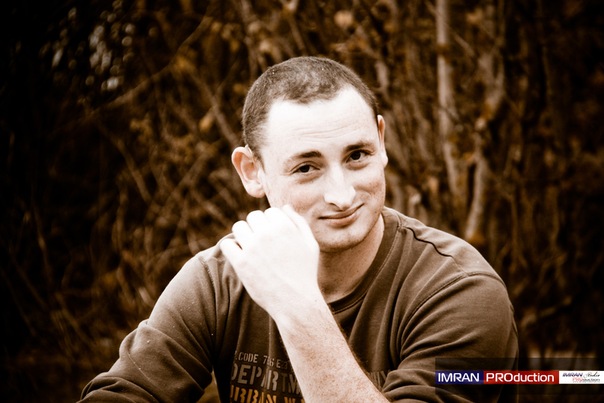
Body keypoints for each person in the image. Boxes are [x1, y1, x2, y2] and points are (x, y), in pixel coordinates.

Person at [80, 56, 518, 402]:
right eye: (307, 167)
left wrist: (296, 305)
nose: (342, 195)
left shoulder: (460, 291)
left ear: (382, 142)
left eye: (357, 156)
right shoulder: (220, 281)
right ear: (252, 172)